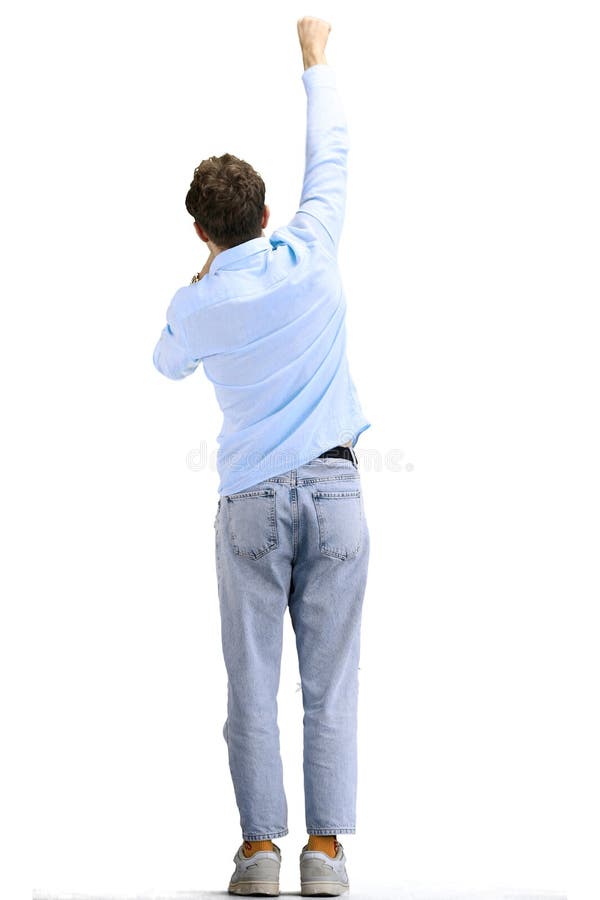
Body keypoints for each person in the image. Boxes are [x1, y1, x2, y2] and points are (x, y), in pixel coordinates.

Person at [152, 16, 371, 897]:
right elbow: (333, 158)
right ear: (267, 215)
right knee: (331, 681)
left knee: (251, 682)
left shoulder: (196, 304)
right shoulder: (311, 254)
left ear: (201, 232)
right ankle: (324, 852)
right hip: (338, 493)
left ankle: (257, 855)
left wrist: (201, 286)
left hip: (248, 504)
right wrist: (315, 61)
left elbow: (165, 364)